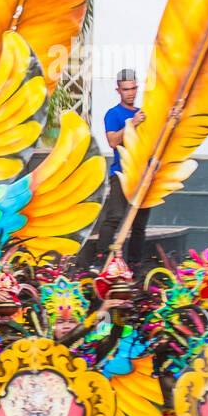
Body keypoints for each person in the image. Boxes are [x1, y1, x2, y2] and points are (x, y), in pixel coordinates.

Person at [78, 69, 150, 269]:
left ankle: (135, 265)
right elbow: (112, 141)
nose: (131, 93)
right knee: (114, 216)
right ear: (118, 90)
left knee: (139, 223)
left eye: (134, 88)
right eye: (126, 89)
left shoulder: (143, 114)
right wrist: (132, 125)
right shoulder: (114, 114)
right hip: (121, 172)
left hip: (143, 173)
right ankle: (101, 261)